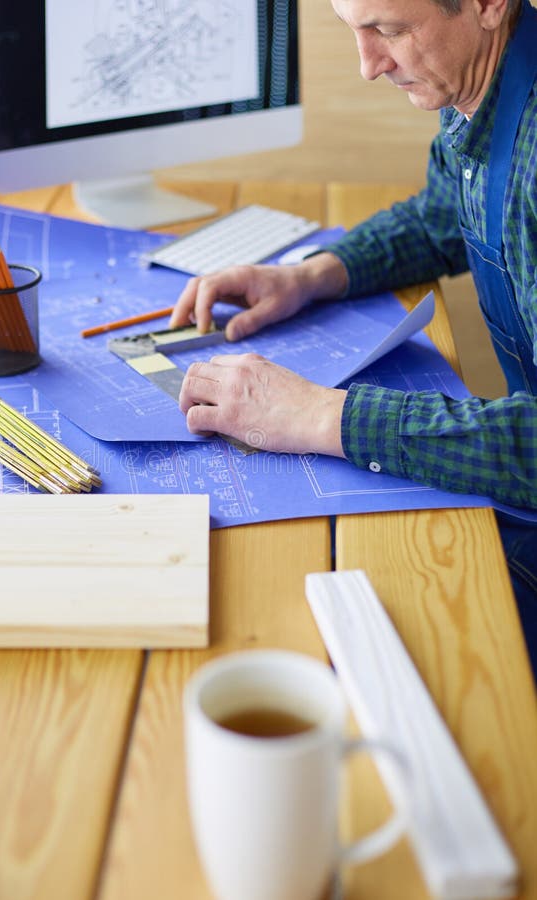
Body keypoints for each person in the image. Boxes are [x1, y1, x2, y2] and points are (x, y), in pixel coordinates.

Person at [169, 0, 537, 672]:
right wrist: (312, 275)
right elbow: (443, 216)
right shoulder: (483, 90)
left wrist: (318, 415)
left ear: (487, 5)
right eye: (355, 31)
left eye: (390, 31)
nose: (368, 66)